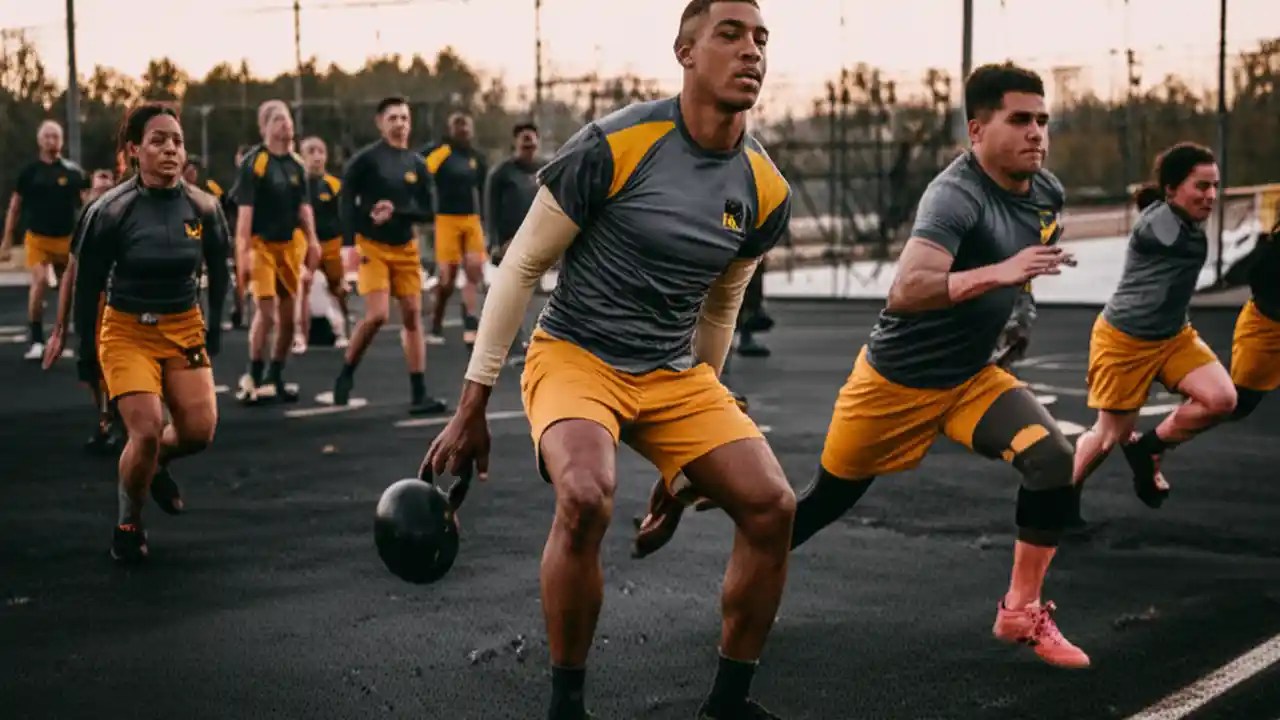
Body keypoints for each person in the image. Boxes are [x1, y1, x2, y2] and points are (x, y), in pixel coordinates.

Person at [638, 62, 1091, 671]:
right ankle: (726, 557)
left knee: (1052, 459)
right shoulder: (954, 195)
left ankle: (1020, 611)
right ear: (978, 130)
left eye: (1042, 120)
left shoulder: (1047, 192)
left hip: (967, 380)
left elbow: (1030, 261)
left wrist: (1018, 317)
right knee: (815, 507)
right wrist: (997, 275)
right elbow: (906, 289)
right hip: (893, 385)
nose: (1037, 132)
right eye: (1020, 120)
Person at [424, 2, 795, 717]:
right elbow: (521, 266)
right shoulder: (615, 144)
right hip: (577, 356)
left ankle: (728, 704)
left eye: (760, 39)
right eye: (730, 34)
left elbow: (719, 308)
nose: (751, 51)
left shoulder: (765, 189)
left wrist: (685, 458)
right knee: (587, 495)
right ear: (684, 50)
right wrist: (471, 403)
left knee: (773, 506)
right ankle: (568, 706)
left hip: (671, 373)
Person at [71, 102, 230, 563]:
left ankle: (155, 462)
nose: (169, 149)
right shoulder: (111, 210)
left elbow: (219, 272)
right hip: (126, 331)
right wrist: (85, 352)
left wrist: (215, 326)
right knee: (144, 430)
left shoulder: (205, 206)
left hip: (184, 327)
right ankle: (129, 522)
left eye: (176, 141)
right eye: (158, 140)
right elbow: (87, 286)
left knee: (199, 432)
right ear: (134, 150)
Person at [1072, 143, 1237, 509]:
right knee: (1107, 437)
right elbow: (1159, 227)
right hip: (1125, 340)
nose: (1210, 196)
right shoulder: (1158, 222)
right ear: (1171, 189)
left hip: (1174, 336)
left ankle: (1149, 449)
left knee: (1222, 399)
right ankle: (1058, 503)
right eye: (1201, 186)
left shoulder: (1189, 220)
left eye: (1214, 186)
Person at [332, 96, 448, 415]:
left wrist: (398, 211)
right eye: (393, 118)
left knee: (412, 316)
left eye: (404, 118)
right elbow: (345, 199)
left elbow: (429, 211)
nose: (399, 124)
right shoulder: (367, 160)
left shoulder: (417, 164)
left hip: (405, 248)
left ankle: (419, 392)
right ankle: (346, 373)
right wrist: (349, 242)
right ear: (380, 123)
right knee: (377, 315)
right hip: (373, 247)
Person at [231, 100, 321, 404]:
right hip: (261, 245)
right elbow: (244, 217)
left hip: (287, 247)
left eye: (288, 119)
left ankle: (275, 375)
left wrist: (313, 240)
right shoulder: (255, 163)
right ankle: (253, 374)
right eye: (279, 120)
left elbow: (304, 208)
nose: (286, 125)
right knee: (266, 312)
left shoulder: (296, 164)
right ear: (265, 127)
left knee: (288, 316)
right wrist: (242, 255)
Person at [44, 168, 124, 454]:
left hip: (119, 302)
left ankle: (117, 420)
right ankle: (106, 417)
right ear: (89, 193)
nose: (102, 194)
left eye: (107, 189)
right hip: (90, 301)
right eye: (97, 189)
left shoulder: (124, 217)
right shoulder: (86, 221)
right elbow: (70, 271)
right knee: (90, 364)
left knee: (115, 364)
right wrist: (59, 327)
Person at [1, 120, 89, 361]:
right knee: (39, 282)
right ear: (40, 141)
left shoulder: (73, 172)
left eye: (56, 136)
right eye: (47, 136)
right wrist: (7, 240)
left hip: (66, 240)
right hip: (37, 238)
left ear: (61, 141)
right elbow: (15, 207)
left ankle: (62, 336)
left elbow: (88, 204)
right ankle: (37, 339)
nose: (51, 140)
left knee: (68, 291)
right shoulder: (29, 172)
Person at [483, 120, 546, 364]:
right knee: (514, 295)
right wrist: (494, 243)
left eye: (531, 136)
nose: (528, 140)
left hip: (541, 240)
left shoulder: (545, 169)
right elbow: (491, 210)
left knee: (538, 296)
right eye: (523, 137)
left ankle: (534, 343)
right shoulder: (502, 173)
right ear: (515, 142)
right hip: (511, 242)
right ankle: (511, 345)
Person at [423, 112, 488, 347]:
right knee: (448, 279)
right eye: (457, 125)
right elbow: (421, 170)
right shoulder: (441, 153)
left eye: (466, 125)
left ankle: (470, 321)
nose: (463, 129)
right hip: (446, 219)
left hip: (471, 219)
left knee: (473, 269)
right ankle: (436, 322)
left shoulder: (476, 158)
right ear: (450, 129)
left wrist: (486, 221)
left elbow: (483, 189)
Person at [292, 135, 349, 354]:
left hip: (332, 243)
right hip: (305, 243)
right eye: (311, 152)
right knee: (302, 287)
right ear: (302, 156)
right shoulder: (297, 185)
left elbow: (343, 217)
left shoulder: (334, 185)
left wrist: (347, 246)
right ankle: (300, 336)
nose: (317, 157)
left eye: (320, 152)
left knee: (338, 287)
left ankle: (343, 331)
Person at [1227, 218, 1280, 420]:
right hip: (1265, 328)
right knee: (1236, 403)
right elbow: (1242, 275)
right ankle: (1152, 442)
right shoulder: (1271, 250)